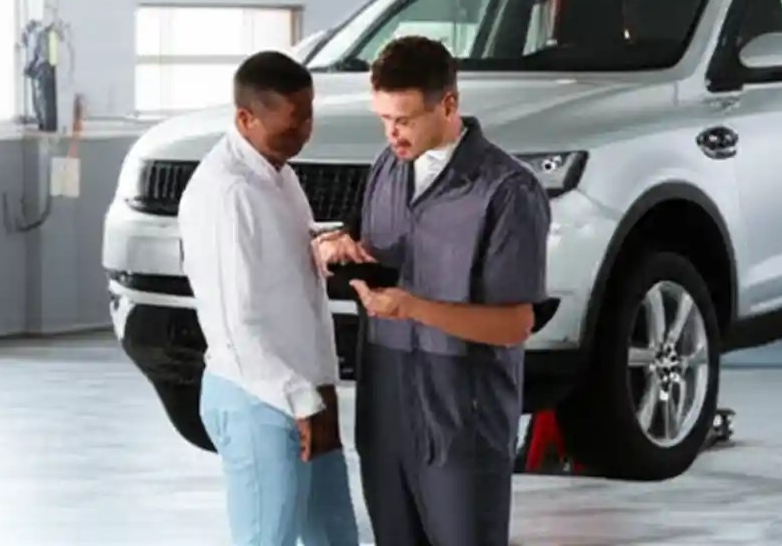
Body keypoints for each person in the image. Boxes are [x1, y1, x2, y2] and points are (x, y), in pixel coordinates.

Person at [313, 35, 552, 546]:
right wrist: (344, 249)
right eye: (383, 119)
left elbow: (515, 323)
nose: (392, 134)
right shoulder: (387, 167)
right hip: (387, 408)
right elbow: (383, 250)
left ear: (448, 104)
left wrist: (415, 307)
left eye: (404, 119)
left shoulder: (508, 191)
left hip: (461, 415)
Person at [178, 50, 359, 546]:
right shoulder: (226, 193)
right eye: (291, 126)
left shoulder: (278, 171)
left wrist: (324, 242)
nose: (304, 134)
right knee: (267, 539)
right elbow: (235, 325)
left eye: (308, 119)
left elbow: (286, 267)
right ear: (245, 118)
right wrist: (302, 400)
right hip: (258, 396)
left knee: (336, 536)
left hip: (305, 388)